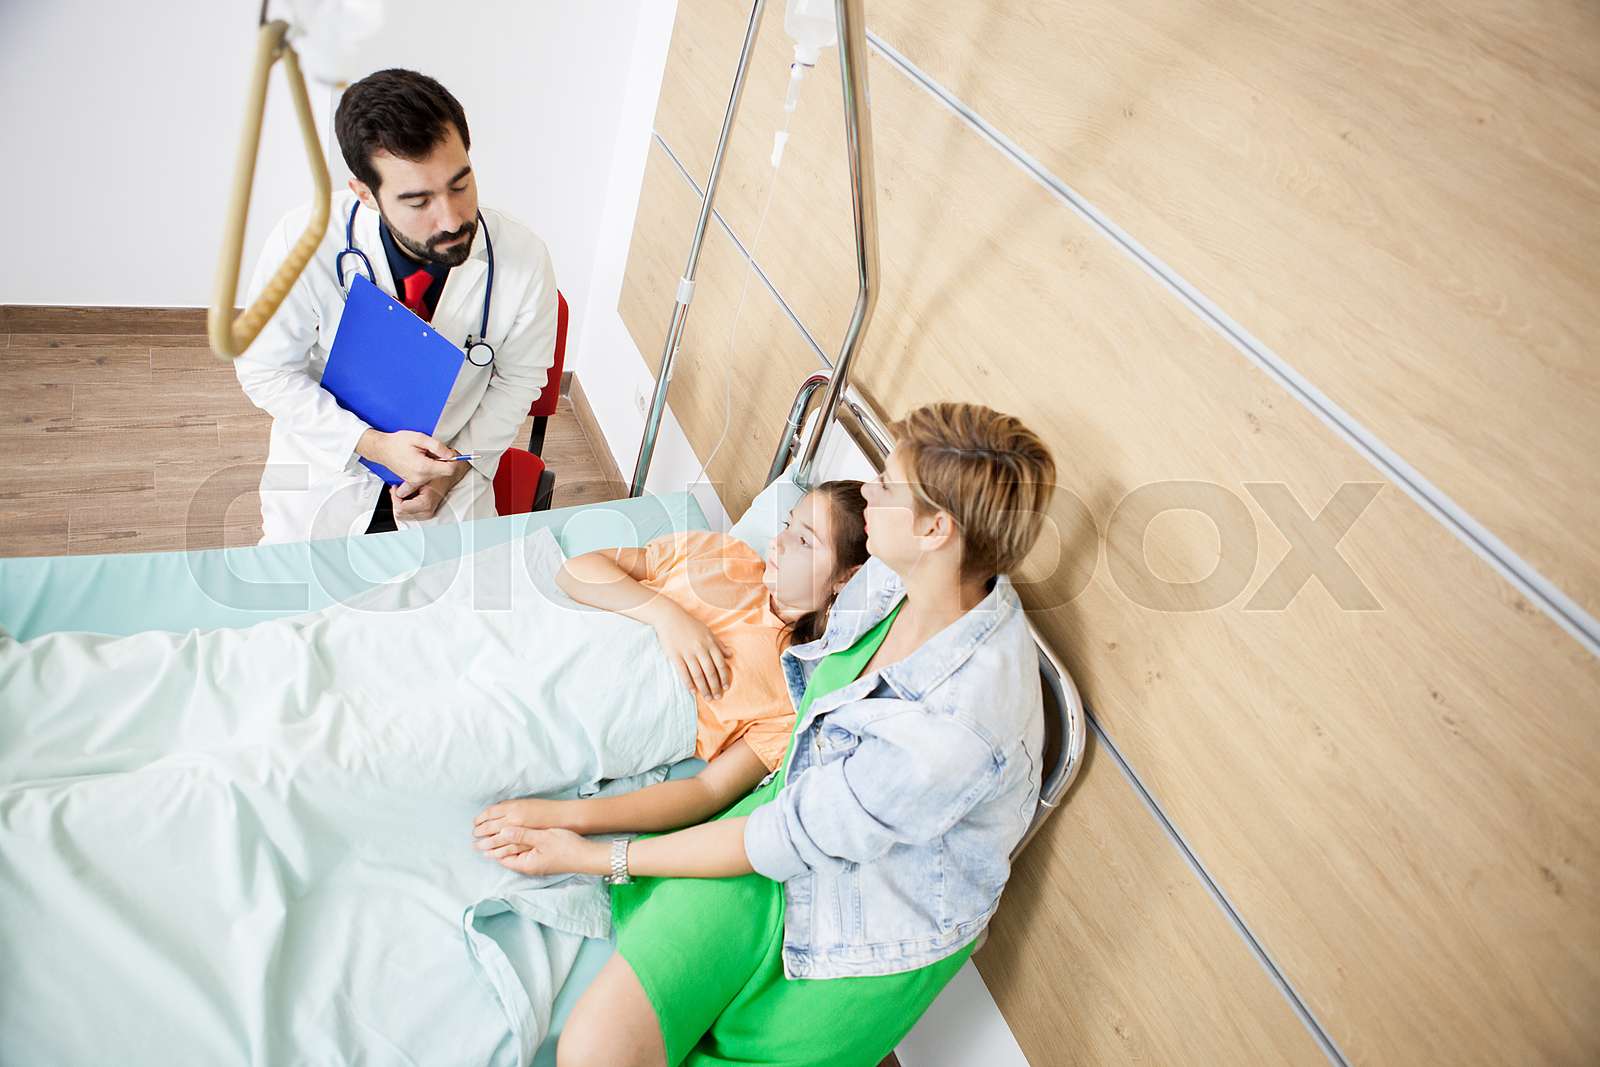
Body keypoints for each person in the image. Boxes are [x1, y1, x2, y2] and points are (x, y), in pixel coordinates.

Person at [474, 402, 1059, 1067]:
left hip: (863, 927)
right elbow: (780, 809)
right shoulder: (893, 579)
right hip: (778, 830)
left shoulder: (950, 732)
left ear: (935, 528)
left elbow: (774, 835)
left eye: (886, 484)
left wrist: (592, 855)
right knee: (595, 1047)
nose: (867, 489)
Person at [235, 68, 560, 543]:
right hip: (326, 472)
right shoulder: (304, 242)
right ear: (366, 194)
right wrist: (372, 445)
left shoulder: (523, 259)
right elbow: (265, 371)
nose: (451, 219)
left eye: (460, 185)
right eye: (418, 201)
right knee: (299, 588)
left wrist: (453, 470)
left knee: (462, 588)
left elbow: (519, 380)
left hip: (450, 479)